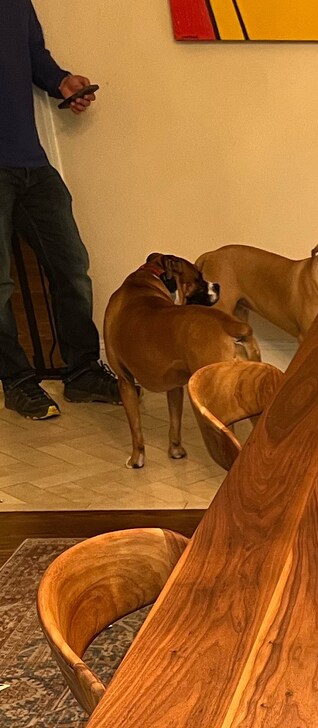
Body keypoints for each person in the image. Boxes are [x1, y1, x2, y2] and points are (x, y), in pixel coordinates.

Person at [1, 0, 120, 420]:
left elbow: (35, 55)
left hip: (31, 162)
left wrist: (62, 82)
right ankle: (17, 383)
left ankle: (84, 372)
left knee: (72, 267)